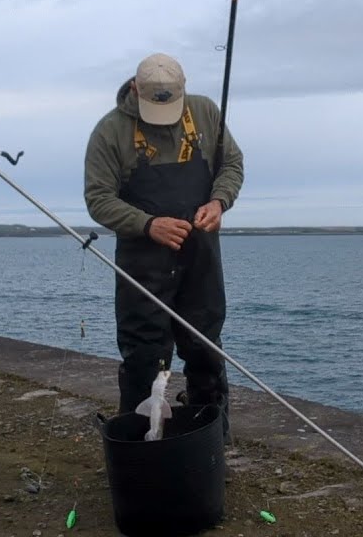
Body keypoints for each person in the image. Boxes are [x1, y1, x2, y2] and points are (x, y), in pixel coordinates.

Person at [83, 52, 244, 424]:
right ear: (135, 89)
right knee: (145, 355)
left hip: (200, 257)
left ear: (183, 89)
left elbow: (232, 164)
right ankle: (141, 443)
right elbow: (98, 198)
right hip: (143, 265)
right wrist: (147, 224)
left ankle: (211, 437)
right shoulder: (109, 132)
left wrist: (219, 202)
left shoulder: (205, 113)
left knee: (204, 346)